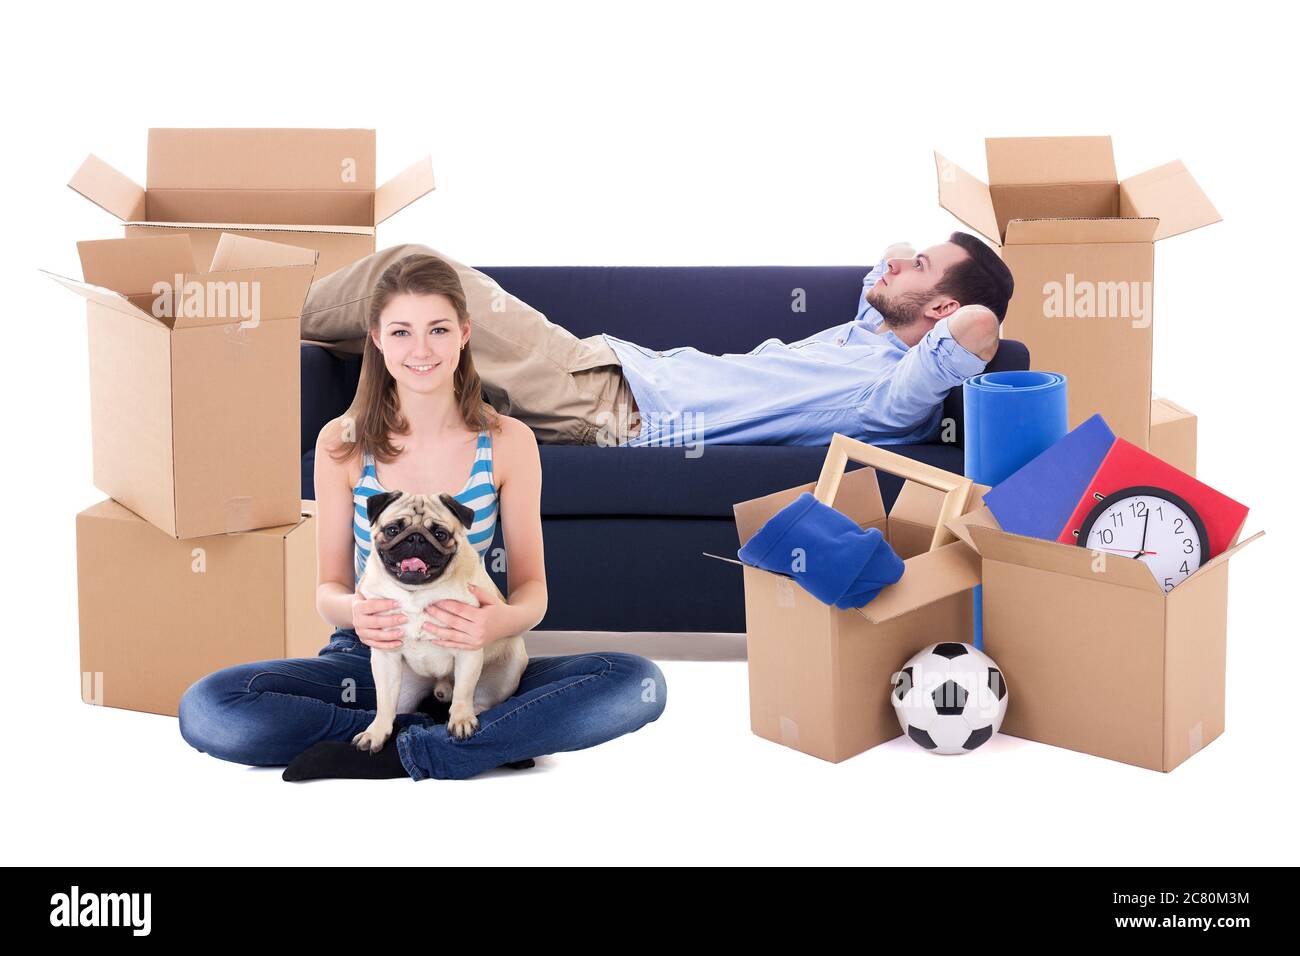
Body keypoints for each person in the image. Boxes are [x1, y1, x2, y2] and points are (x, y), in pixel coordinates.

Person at [178, 255, 667, 781]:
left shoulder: (508, 442)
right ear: (377, 338)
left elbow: (532, 593)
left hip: (474, 654)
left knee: (633, 681)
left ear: (464, 334)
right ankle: (478, 737)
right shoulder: (340, 444)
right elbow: (327, 588)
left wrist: (497, 621)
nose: (421, 349)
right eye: (402, 331)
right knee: (211, 707)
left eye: (438, 329)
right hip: (376, 654)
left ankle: (396, 748)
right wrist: (355, 612)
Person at [299, 232, 1013, 448]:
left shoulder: (895, 396)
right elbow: (882, 266)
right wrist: (915, 260)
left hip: (614, 405)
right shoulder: (870, 335)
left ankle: (245, 327)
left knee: (417, 275)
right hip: (608, 378)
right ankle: (249, 340)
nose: (893, 265)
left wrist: (957, 301)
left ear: (944, 306)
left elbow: (978, 330)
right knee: (407, 331)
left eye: (918, 268)